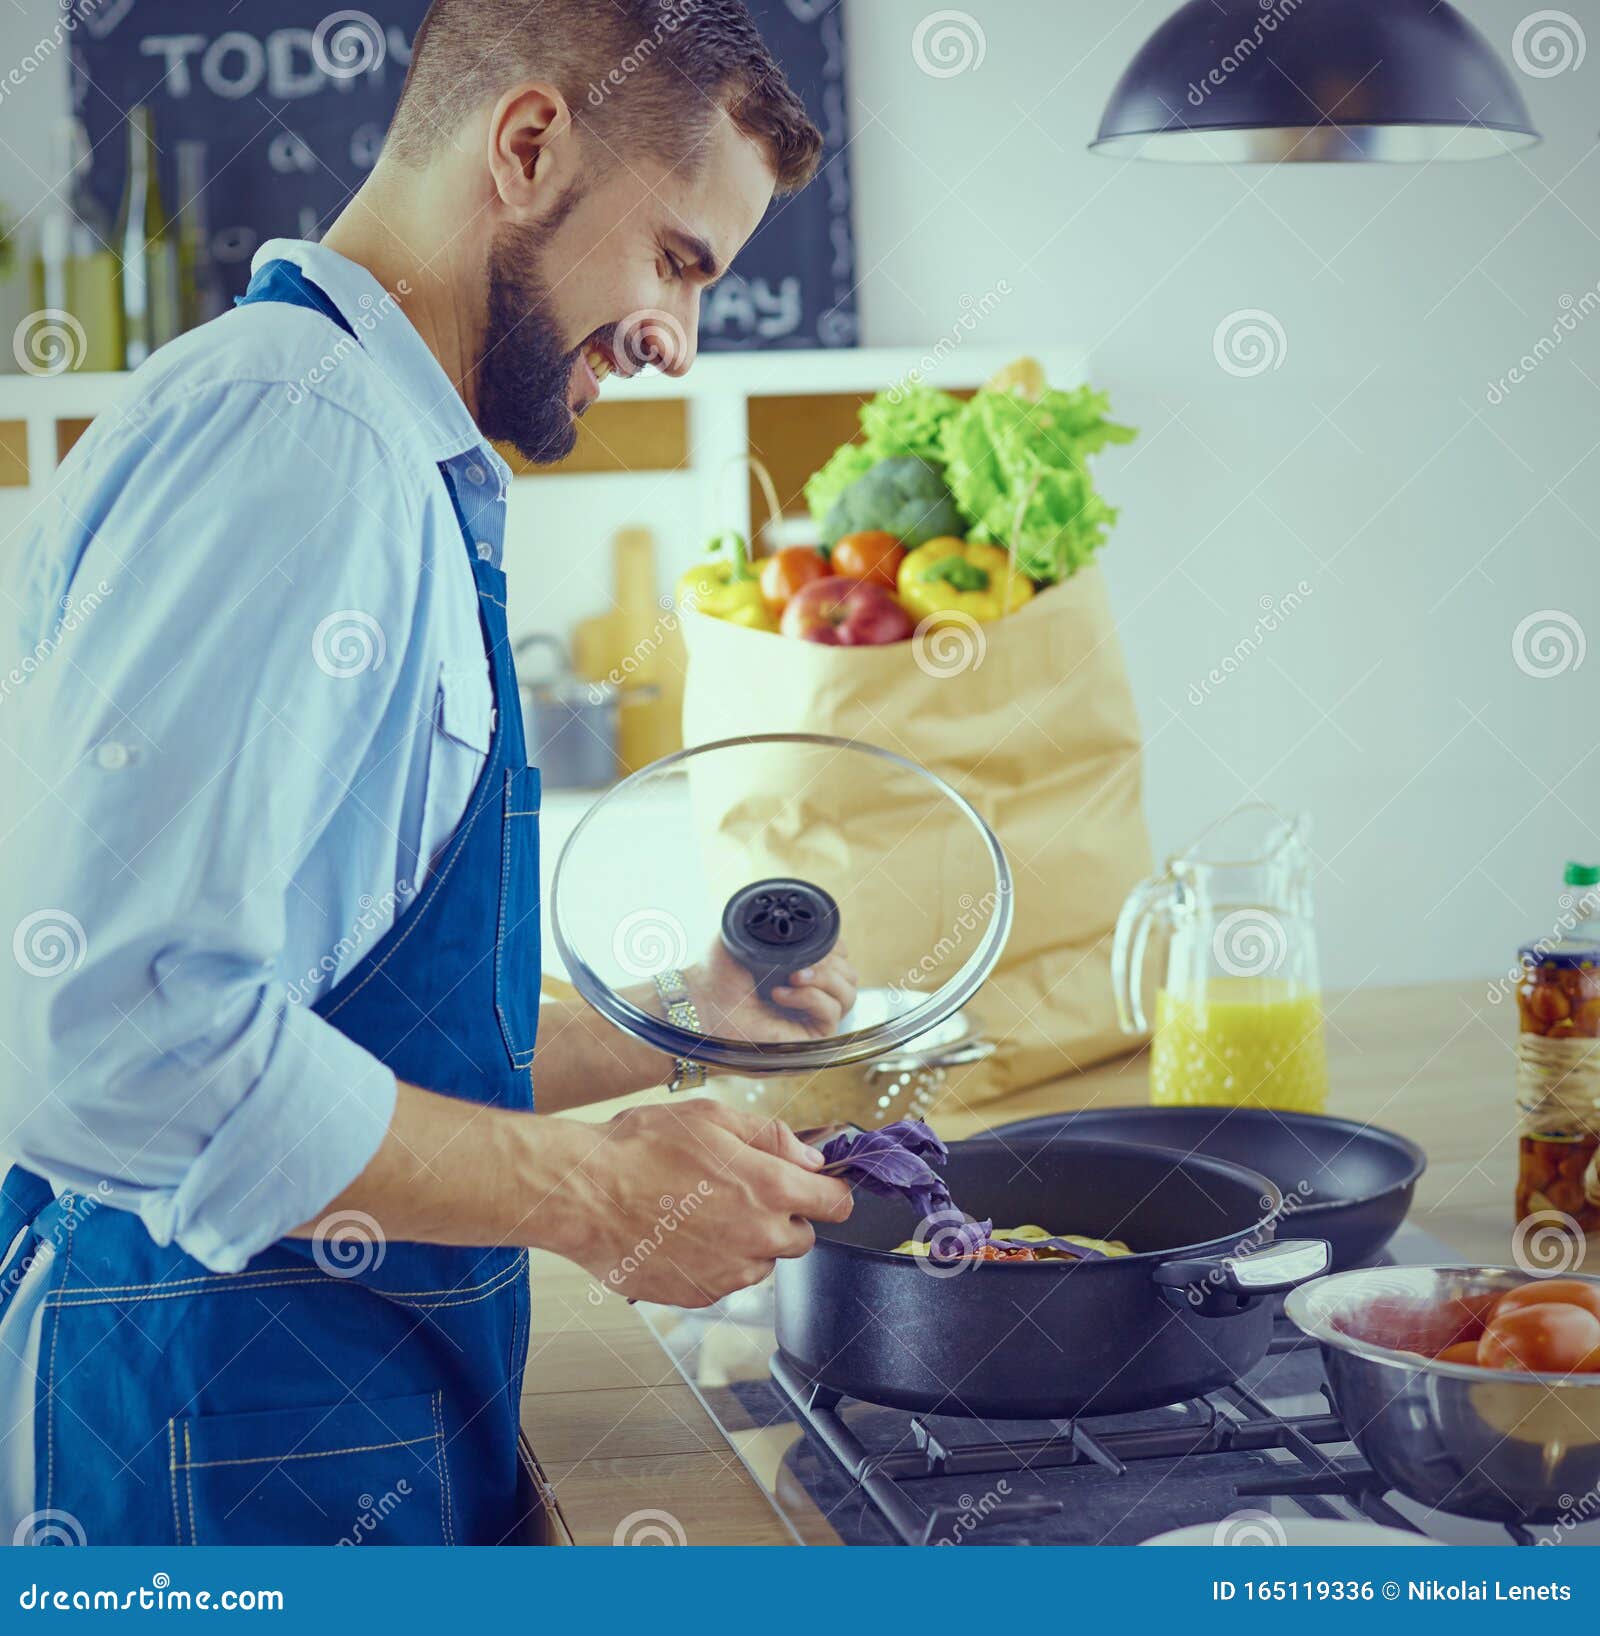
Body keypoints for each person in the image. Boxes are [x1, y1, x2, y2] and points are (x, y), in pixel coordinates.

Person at [0, 0, 853, 1546]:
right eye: (678, 260)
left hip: (323, 1409)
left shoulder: (382, 447)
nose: (679, 338)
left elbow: (342, 1017)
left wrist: (673, 1028)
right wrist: (596, 1199)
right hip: (212, 1443)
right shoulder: (295, 437)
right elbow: (117, 1041)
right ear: (529, 146)